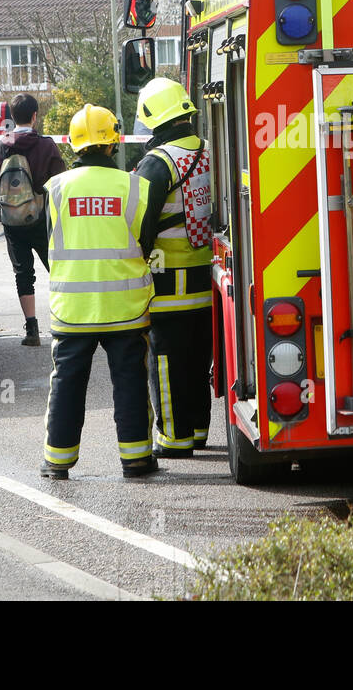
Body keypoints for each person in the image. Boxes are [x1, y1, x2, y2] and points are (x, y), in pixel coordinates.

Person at [40, 104, 157, 479]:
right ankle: (136, 459)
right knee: (130, 382)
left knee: (68, 383)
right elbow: (146, 241)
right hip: (125, 306)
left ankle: (57, 462)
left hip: (73, 309)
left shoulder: (56, 188)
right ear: (114, 142)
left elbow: (50, 244)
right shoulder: (135, 186)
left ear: (74, 144)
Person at [133, 77, 214, 458]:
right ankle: (198, 431)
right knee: (199, 360)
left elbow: (141, 226)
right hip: (209, 280)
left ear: (153, 119)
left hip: (169, 287)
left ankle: (174, 439)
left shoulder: (157, 162)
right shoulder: (212, 150)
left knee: (166, 362)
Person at [0, 94, 66, 346]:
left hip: (12, 222)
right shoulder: (47, 145)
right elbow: (60, 181)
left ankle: (31, 330)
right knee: (58, 269)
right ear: (34, 116)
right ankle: (63, 322)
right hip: (42, 219)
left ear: (12, 116)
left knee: (23, 272)